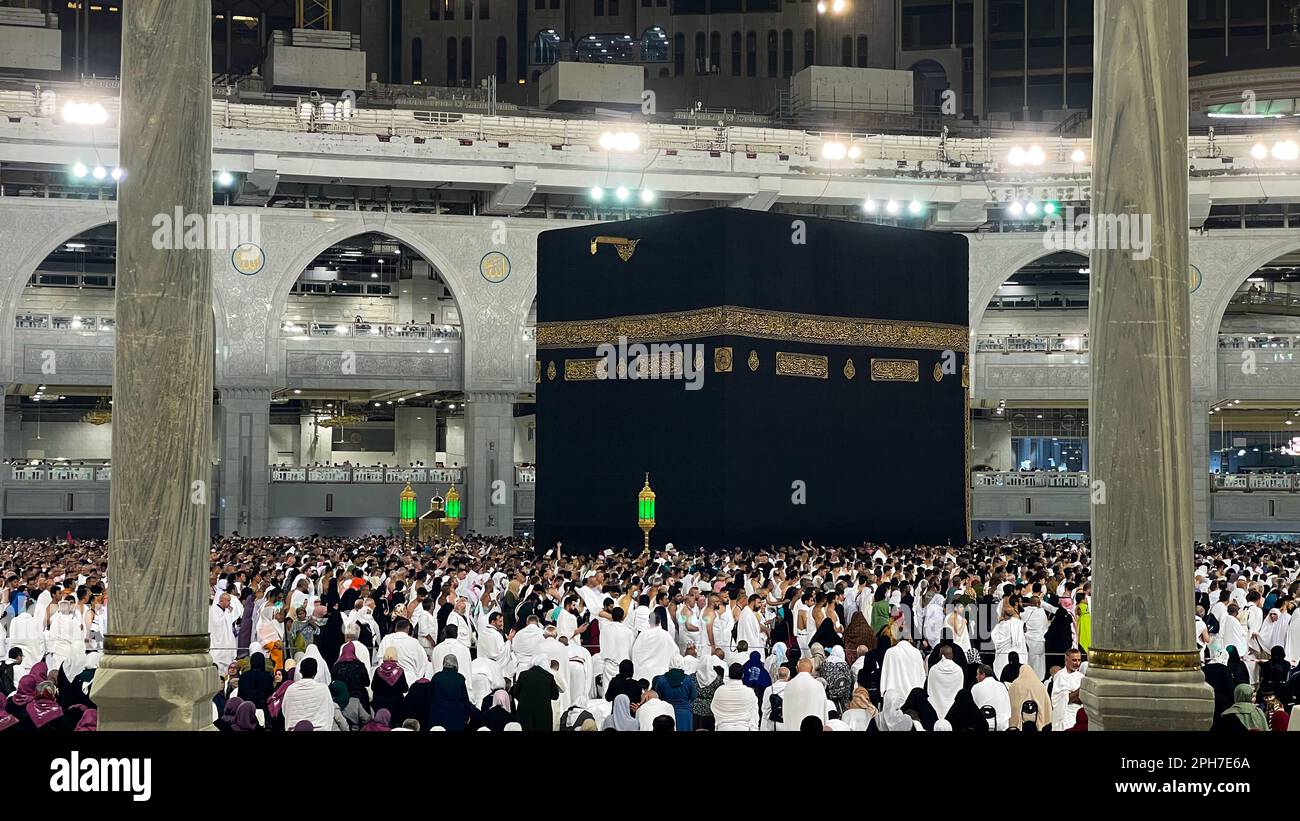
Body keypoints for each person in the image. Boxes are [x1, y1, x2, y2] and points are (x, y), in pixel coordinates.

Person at [281, 658, 334, 731]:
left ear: (300, 671)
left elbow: (285, 710)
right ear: (316, 672)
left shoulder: (291, 689)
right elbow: (330, 710)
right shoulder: (323, 689)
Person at [512, 657, 559, 731]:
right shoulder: (549, 677)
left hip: (525, 712)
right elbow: (555, 696)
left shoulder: (523, 675)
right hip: (543, 713)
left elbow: (515, 693)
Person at [651, 658, 698, 731]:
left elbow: (657, 696)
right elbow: (693, 696)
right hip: (685, 713)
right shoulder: (688, 679)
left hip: (666, 713)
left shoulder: (661, 679)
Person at [429, 654, 473, 731]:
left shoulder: (436, 677)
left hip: (438, 714)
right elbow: (465, 699)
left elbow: (430, 697)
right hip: (456, 715)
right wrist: (467, 715)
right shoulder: (460, 678)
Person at [782, 657, 827, 731]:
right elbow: (824, 709)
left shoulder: (789, 685)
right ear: (812, 669)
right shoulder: (818, 686)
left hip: (793, 727)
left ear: (797, 668)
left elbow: (785, 710)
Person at [710, 663, 759, 731]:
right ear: (743, 675)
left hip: (724, 727)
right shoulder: (749, 692)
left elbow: (713, 708)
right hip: (743, 728)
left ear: (729, 675)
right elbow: (754, 713)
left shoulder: (720, 690)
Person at [1050, 648, 1084, 731]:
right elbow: (1060, 698)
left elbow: (1082, 698)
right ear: (1066, 660)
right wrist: (1080, 690)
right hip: (1065, 716)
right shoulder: (1060, 676)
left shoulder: (1081, 677)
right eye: (1074, 660)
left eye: (1079, 660)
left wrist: (1074, 694)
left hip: (1077, 715)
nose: (1077, 663)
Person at [970, 664, 1010, 731]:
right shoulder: (1002, 686)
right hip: (1003, 724)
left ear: (983, 674)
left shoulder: (976, 687)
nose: (976, 677)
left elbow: (973, 708)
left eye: (977, 674)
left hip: (985, 724)